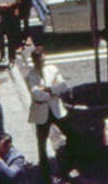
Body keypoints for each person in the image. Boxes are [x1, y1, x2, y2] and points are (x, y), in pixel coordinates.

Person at [26, 46, 73, 183]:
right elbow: (36, 95)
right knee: (42, 143)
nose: (41, 64)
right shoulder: (31, 76)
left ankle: (67, 165)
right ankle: (45, 173)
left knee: (71, 135)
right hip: (42, 114)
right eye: (38, 62)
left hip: (57, 110)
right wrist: (53, 91)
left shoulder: (52, 70)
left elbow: (63, 86)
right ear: (34, 61)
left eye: (42, 60)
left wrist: (48, 89)